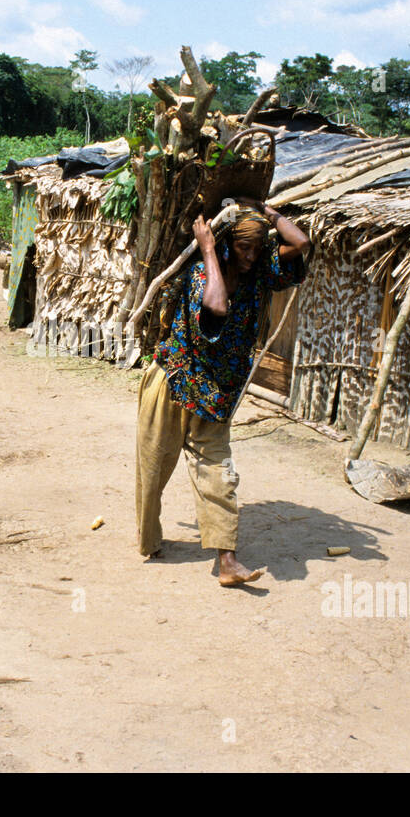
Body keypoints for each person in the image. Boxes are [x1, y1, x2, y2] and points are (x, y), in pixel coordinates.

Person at [135, 199, 312, 586]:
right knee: (154, 466)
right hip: (173, 381)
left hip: (216, 393)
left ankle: (227, 560)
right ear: (228, 244)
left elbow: (300, 244)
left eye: (256, 248)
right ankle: (149, 540)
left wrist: (269, 214)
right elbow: (216, 305)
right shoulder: (202, 273)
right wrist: (210, 249)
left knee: (218, 471)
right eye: (243, 248)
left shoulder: (261, 275)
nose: (250, 256)